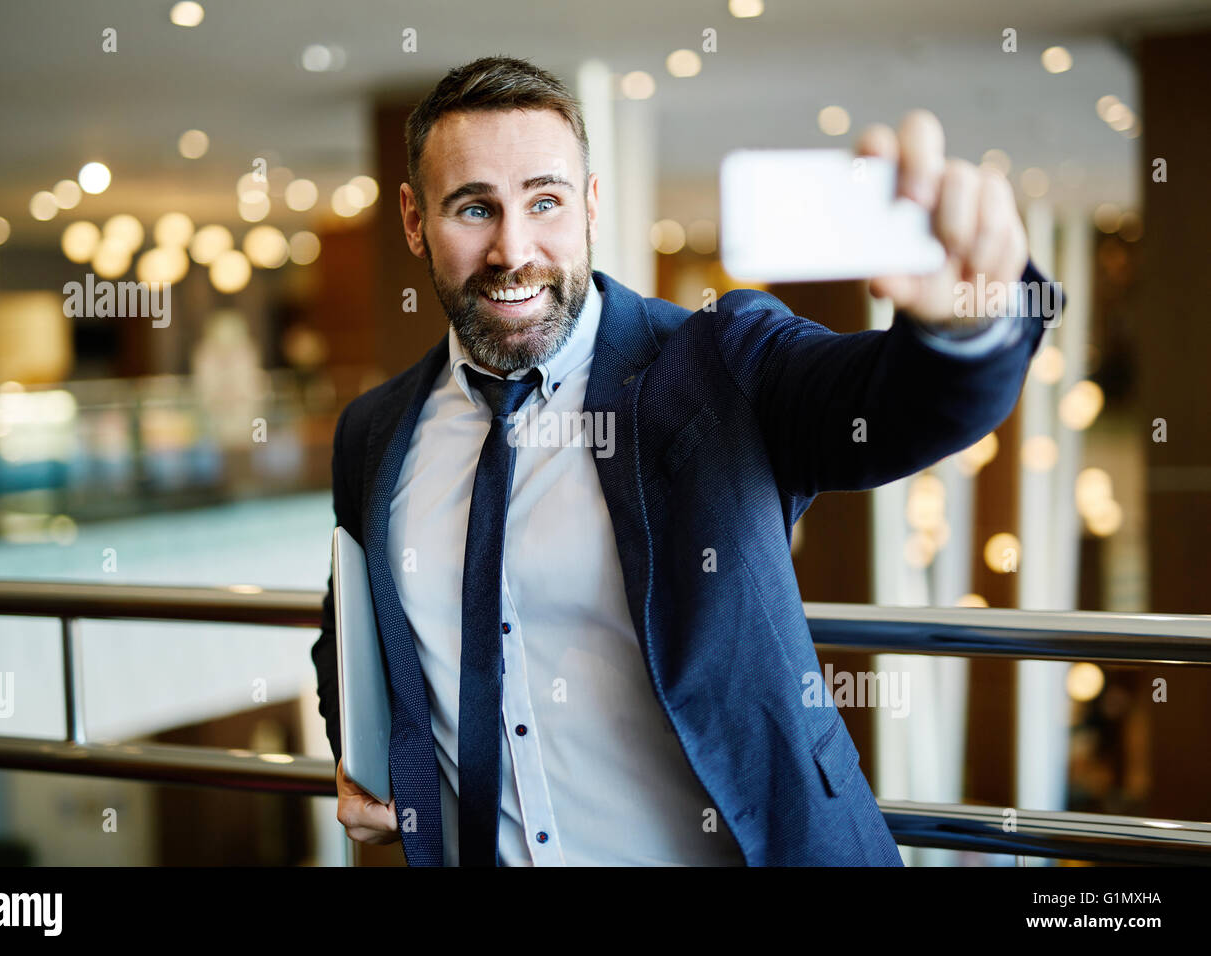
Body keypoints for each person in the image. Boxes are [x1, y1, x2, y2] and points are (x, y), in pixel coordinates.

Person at [311, 55, 1058, 866]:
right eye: (474, 209)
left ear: (590, 205)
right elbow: (350, 634)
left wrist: (966, 326)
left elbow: (893, 409)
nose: (511, 249)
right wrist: (373, 761)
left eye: (545, 201)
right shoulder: (374, 433)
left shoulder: (717, 363)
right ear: (415, 221)